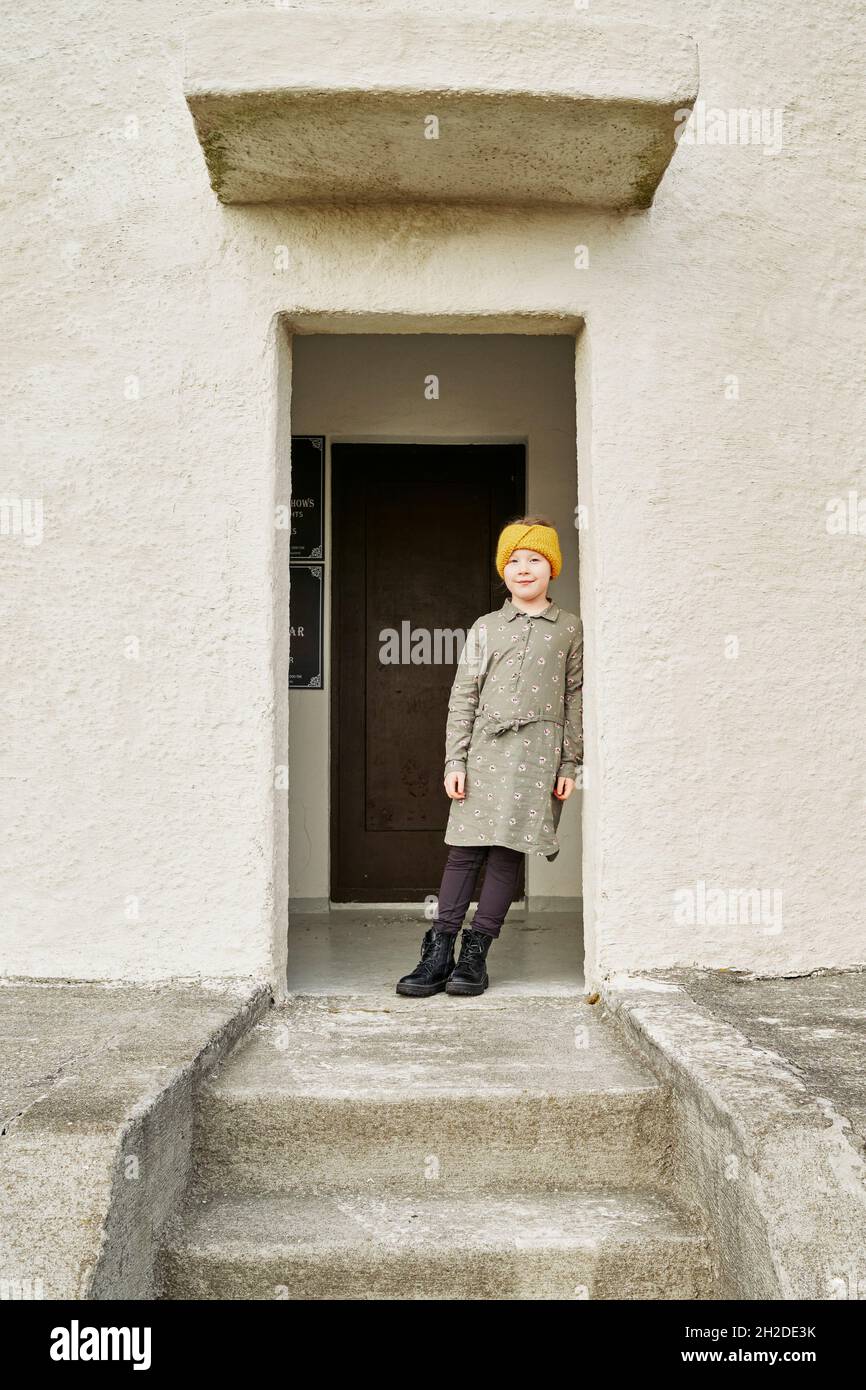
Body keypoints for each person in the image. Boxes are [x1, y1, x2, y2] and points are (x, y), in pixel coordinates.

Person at [396, 516, 583, 998]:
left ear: (551, 569)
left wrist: (569, 764)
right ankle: (439, 950)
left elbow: (575, 697)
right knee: (464, 851)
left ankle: (476, 954)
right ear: (504, 571)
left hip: (538, 755)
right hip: (485, 752)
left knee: (507, 853)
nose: (524, 569)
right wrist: (454, 761)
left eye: (535, 560)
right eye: (514, 561)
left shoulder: (569, 629)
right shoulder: (486, 627)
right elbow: (464, 696)